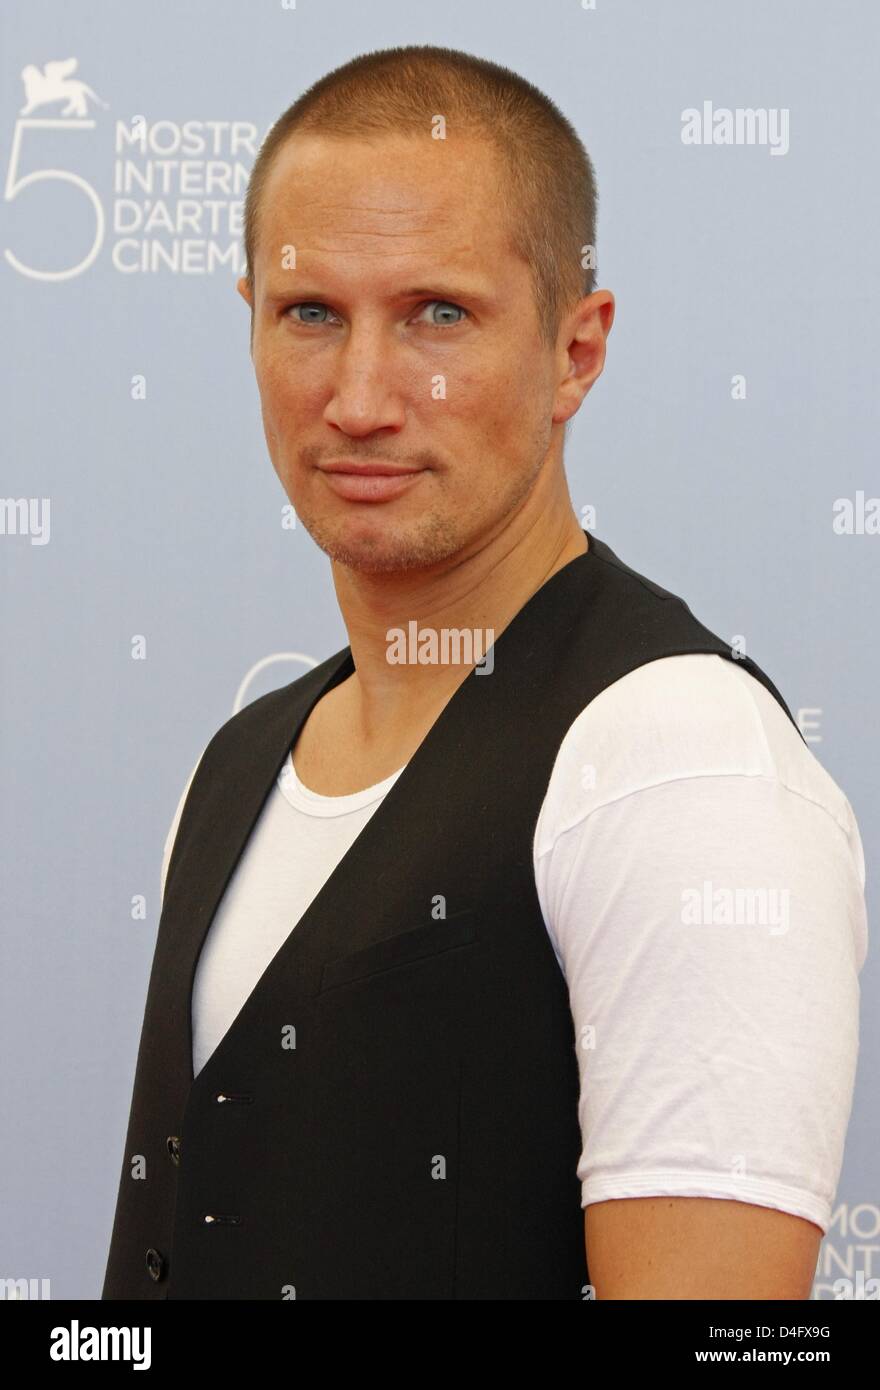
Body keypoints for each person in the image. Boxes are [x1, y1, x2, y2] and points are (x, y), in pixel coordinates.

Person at [102, 45, 866, 1300]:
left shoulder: (676, 760)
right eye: (309, 315)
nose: (357, 398)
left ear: (576, 351)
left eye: (436, 315)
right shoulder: (237, 762)